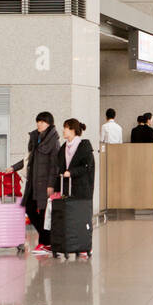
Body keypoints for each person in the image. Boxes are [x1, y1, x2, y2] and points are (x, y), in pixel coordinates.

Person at [12, 111, 60, 256]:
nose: (39, 124)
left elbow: (54, 166)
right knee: (30, 208)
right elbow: (28, 160)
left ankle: (46, 243)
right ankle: (49, 241)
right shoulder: (35, 138)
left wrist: (51, 185)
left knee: (44, 213)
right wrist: (14, 167)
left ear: (49, 124)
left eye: (42, 122)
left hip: (45, 183)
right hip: (33, 182)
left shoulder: (54, 141)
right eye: (38, 121)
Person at [53, 118, 96, 259]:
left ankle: (83, 245)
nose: (63, 130)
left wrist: (71, 172)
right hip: (67, 189)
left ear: (72, 130)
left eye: (65, 128)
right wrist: (55, 188)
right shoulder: (63, 148)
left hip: (82, 190)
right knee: (69, 218)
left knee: (81, 218)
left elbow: (87, 166)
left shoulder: (84, 146)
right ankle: (70, 245)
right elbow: (59, 168)